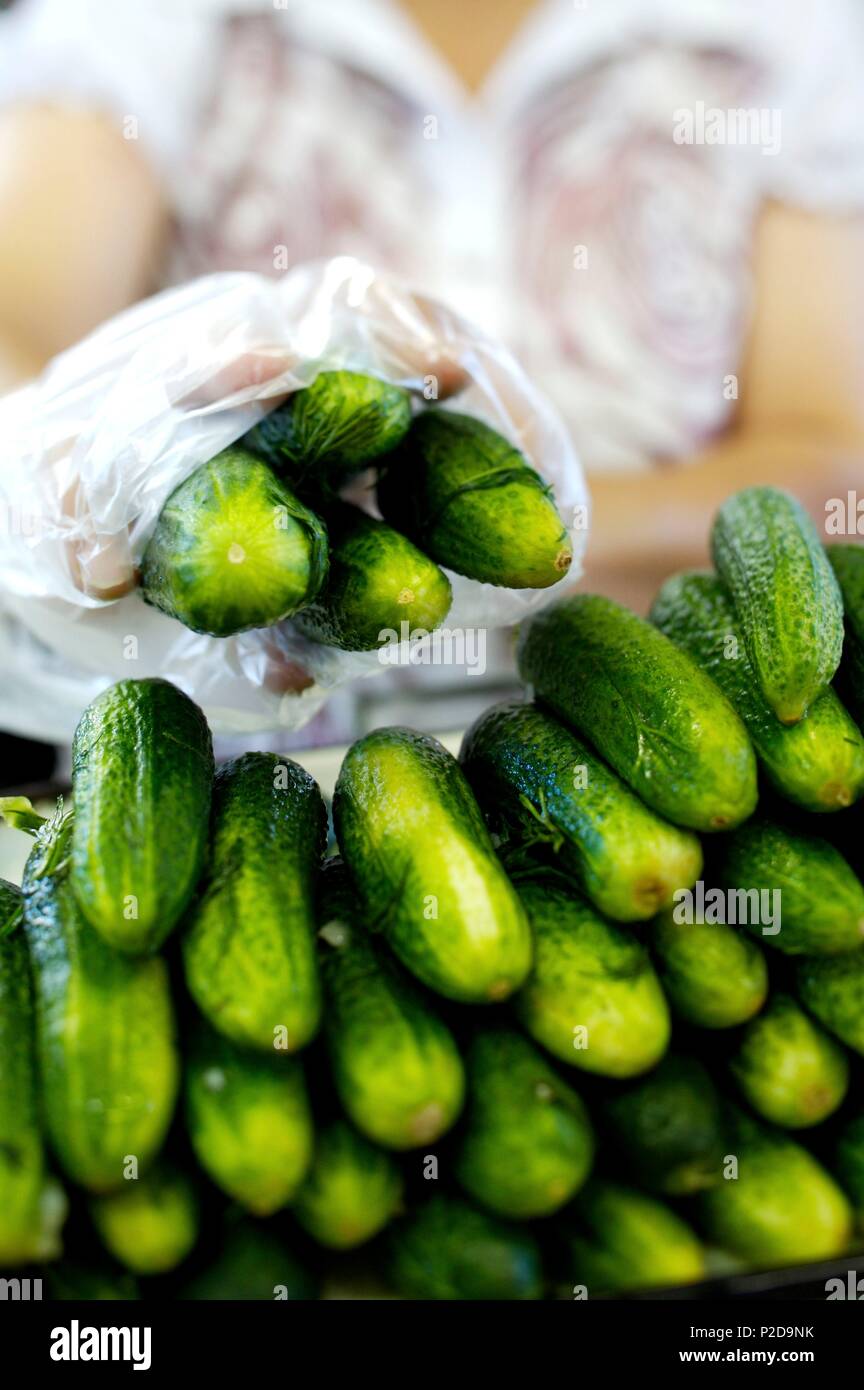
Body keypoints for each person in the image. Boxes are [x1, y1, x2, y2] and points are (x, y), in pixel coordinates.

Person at [1, 0, 863, 617]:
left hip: (666, 718)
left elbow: (834, 475)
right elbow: (15, 349)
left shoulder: (787, 29)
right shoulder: (138, 20)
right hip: (232, 731)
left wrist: (434, 544)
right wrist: (95, 475)